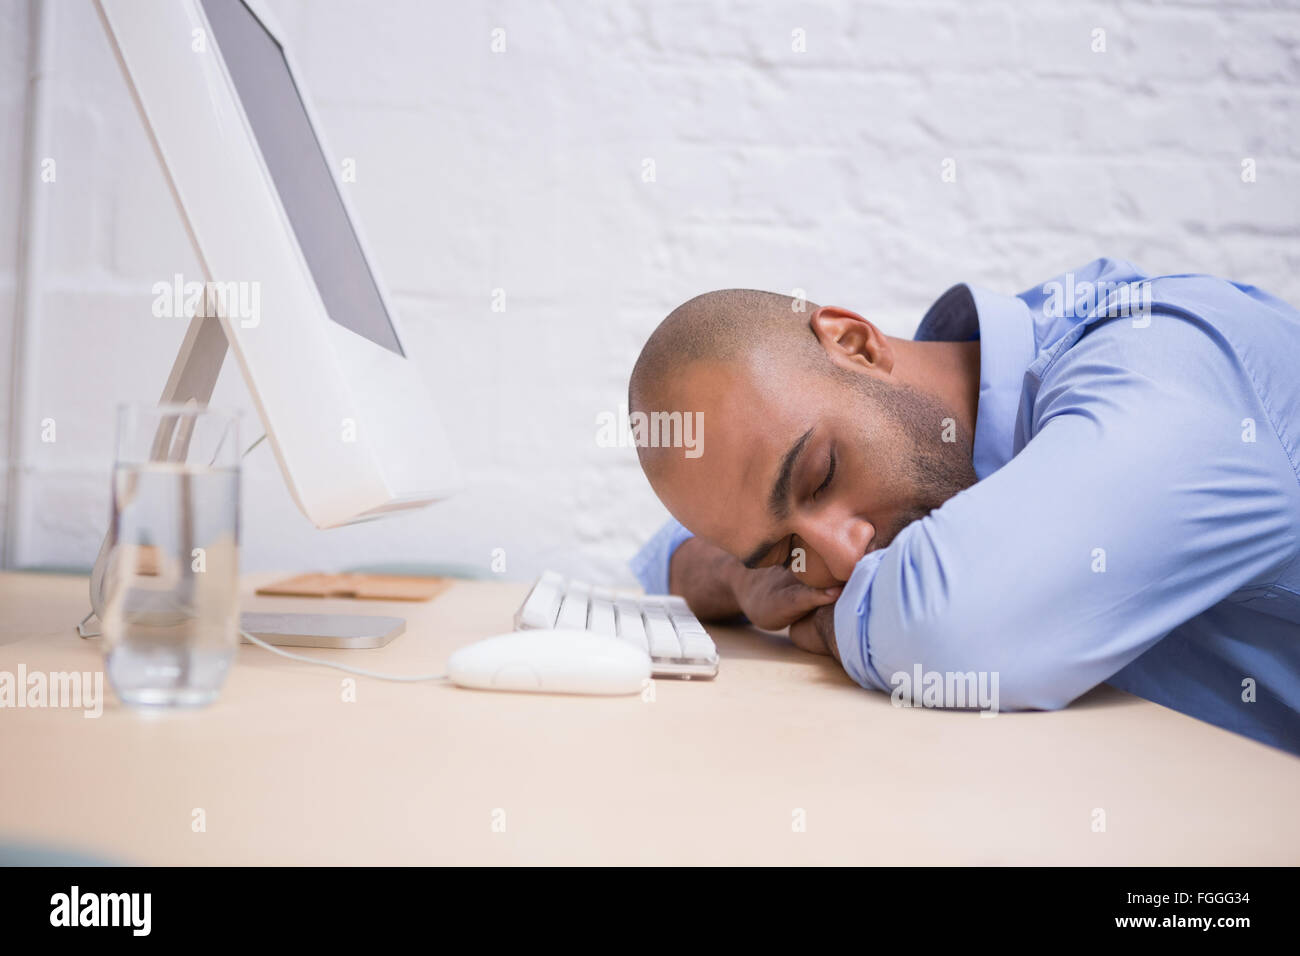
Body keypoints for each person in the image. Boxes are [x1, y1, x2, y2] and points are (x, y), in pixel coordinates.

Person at [627, 258, 1300, 755]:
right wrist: (741, 577)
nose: (841, 555)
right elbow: (676, 548)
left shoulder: (1164, 357)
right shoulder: (950, 423)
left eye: (823, 474)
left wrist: (834, 619)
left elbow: (953, 628)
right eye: (784, 553)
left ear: (856, 344)